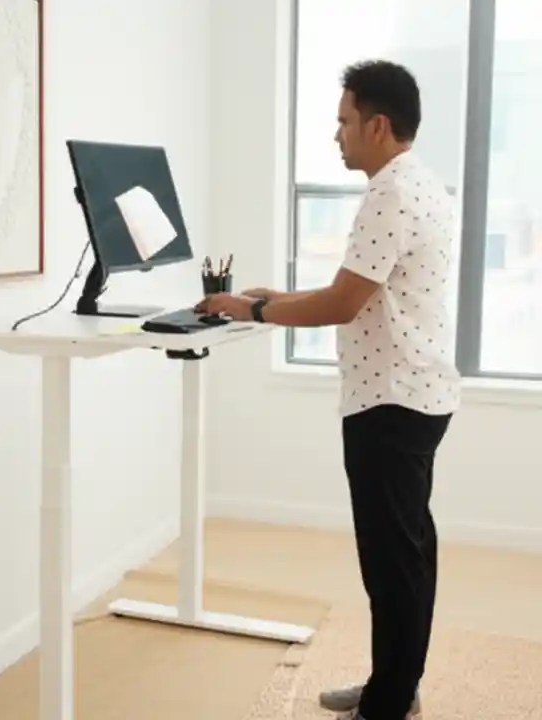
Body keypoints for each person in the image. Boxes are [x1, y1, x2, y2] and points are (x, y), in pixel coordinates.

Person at [198, 60, 458, 720]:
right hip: (417, 394)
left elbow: (343, 304)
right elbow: (368, 295)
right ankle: (394, 685)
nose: (336, 135)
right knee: (408, 556)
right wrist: (274, 297)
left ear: (377, 124)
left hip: (389, 403)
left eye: (344, 121)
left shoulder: (389, 195)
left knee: (391, 564)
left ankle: (388, 702)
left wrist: (251, 313)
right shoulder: (419, 184)